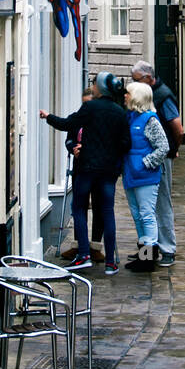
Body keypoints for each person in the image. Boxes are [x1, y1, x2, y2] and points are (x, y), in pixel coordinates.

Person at [40, 72, 130, 275]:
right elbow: (126, 143)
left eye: (95, 85)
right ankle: (110, 263)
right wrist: (113, 155)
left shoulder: (90, 108)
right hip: (108, 171)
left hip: (87, 168)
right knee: (107, 211)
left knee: (79, 208)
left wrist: (48, 117)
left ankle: (83, 255)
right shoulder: (119, 112)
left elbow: (67, 124)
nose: (94, 87)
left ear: (100, 88)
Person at [130, 61, 182, 267]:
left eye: (135, 81)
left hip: (157, 161)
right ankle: (147, 251)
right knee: (143, 209)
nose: (132, 85)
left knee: (160, 205)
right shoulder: (142, 102)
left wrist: (172, 150)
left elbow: (177, 127)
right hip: (142, 165)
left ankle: (167, 249)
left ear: (147, 79)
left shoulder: (162, 96)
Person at [121, 81, 169, 272]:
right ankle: (143, 254)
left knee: (147, 215)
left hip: (145, 177)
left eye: (128, 93)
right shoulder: (130, 117)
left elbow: (163, 147)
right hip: (131, 175)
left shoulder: (150, 120)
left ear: (137, 97)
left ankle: (148, 258)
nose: (125, 96)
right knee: (137, 215)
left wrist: (145, 163)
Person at [60, 87, 105, 262]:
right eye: (84, 104)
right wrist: (73, 148)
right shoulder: (78, 119)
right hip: (80, 167)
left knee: (99, 206)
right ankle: (80, 244)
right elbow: (69, 139)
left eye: (89, 104)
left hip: (98, 169)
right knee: (80, 206)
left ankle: (95, 246)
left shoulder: (101, 120)